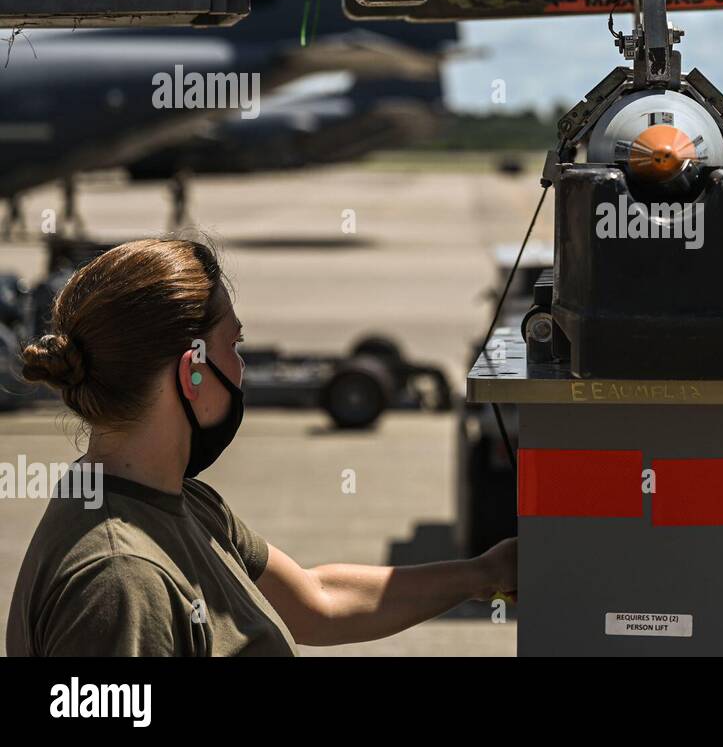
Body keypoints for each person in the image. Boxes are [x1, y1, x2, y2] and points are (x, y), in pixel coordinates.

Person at [7, 238, 515, 656]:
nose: (242, 367)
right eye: (235, 346)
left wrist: (484, 573)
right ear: (194, 372)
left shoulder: (178, 503)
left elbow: (317, 601)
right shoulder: (121, 583)